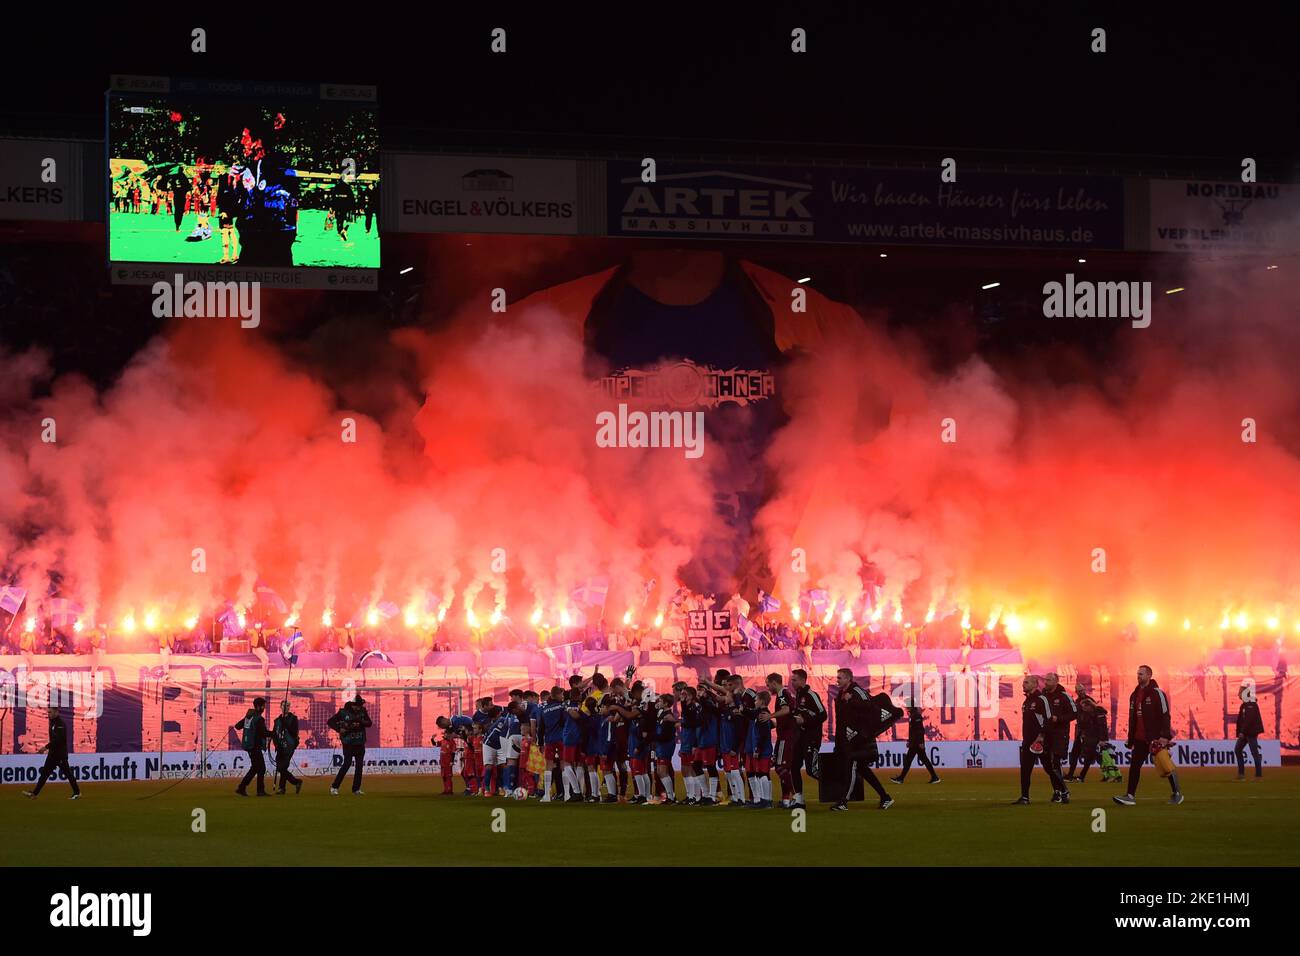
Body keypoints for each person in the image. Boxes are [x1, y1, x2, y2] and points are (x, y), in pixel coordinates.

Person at [1113, 665, 1182, 806]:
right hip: (1139, 739)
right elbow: (1133, 719)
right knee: (1134, 766)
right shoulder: (1134, 695)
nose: (1138, 676)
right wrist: (1131, 738)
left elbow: (1165, 715)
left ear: (1149, 675)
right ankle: (1130, 796)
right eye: (1137, 674)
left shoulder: (1157, 693)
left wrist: (1164, 736)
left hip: (1155, 738)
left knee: (1165, 766)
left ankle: (1177, 793)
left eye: (1141, 674)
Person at [829, 668, 897, 811]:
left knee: (852, 762)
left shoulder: (857, 692)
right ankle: (885, 797)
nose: (837, 680)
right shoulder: (841, 694)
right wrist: (839, 743)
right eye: (837, 677)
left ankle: (843, 802)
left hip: (864, 741)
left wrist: (852, 700)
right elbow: (842, 722)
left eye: (840, 678)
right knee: (862, 769)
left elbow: (870, 706)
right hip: (852, 741)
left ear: (848, 679)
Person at [1014, 675, 1067, 805]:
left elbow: (1048, 720)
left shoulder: (1042, 699)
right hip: (1028, 742)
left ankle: (1063, 791)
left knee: (1049, 769)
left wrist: (1041, 736)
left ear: (1035, 684)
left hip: (1042, 742)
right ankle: (1025, 797)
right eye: (1023, 682)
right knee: (1025, 769)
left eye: (1026, 682)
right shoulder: (1026, 702)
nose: (1023, 685)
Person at [23, 705, 81, 800]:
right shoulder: (53, 723)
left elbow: (59, 740)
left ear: (56, 712)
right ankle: (34, 793)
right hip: (53, 754)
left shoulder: (60, 724)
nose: (48, 714)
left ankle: (77, 793)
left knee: (68, 774)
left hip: (60, 755)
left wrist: (45, 747)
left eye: (50, 712)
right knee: (44, 774)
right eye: (48, 712)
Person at [791, 667, 826, 806]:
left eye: (794, 680)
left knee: (812, 771)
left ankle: (835, 785)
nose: (792, 682)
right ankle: (799, 799)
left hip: (811, 737)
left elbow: (823, 715)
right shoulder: (798, 695)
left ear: (802, 680)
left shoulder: (811, 695)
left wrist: (805, 721)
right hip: (800, 737)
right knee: (794, 766)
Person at [767, 673, 802, 806]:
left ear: (774, 682)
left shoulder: (782, 694)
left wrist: (770, 716)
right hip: (785, 735)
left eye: (768, 684)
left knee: (781, 767)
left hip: (787, 736)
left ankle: (795, 797)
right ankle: (786, 799)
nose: (768, 687)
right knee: (780, 767)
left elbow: (786, 710)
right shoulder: (785, 694)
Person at [328, 694, 372, 795]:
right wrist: (339, 729)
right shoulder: (343, 712)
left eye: (360, 705)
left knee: (359, 766)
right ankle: (334, 787)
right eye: (357, 705)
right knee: (346, 764)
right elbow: (330, 721)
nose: (359, 707)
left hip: (360, 742)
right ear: (352, 704)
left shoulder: (362, 711)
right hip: (348, 743)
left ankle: (356, 789)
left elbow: (369, 723)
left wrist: (360, 722)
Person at [231, 696, 273, 797]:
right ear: (258, 707)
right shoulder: (259, 719)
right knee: (261, 768)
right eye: (263, 706)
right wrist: (274, 734)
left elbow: (237, 726)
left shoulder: (249, 716)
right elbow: (263, 733)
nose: (264, 708)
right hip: (255, 746)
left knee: (255, 768)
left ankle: (241, 787)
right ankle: (260, 791)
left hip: (249, 745)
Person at [890, 703, 941, 785]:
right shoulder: (914, 715)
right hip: (915, 742)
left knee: (909, 760)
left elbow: (920, 730)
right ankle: (934, 777)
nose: (906, 707)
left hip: (916, 743)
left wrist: (920, 742)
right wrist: (910, 741)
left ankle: (901, 778)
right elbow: (915, 731)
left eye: (907, 705)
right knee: (922, 760)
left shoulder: (916, 716)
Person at [1041, 672, 1077, 780]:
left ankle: (1062, 790)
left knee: (1055, 762)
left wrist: (1059, 719)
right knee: (1047, 764)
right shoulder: (1042, 697)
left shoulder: (1064, 696)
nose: (1046, 682)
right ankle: (1059, 787)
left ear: (1056, 682)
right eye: (1045, 680)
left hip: (1059, 734)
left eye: (1049, 680)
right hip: (1045, 734)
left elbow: (1075, 713)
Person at [1234, 681, 1265, 781]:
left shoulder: (1250, 704)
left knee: (1254, 753)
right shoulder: (1245, 705)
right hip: (1246, 732)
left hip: (1250, 733)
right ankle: (1241, 774)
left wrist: (1242, 732)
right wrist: (1240, 732)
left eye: (1240, 692)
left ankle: (1258, 776)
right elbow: (1242, 720)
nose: (1238, 694)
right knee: (1238, 750)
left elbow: (1248, 720)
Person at [271, 699, 302, 795]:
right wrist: (276, 745)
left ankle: (283, 787)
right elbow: (274, 734)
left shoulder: (293, 719)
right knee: (282, 768)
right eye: (284, 705)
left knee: (282, 767)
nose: (286, 707)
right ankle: (293, 783)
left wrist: (287, 725)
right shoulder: (277, 721)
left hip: (289, 747)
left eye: (288, 705)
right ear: (280, 707)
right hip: (280, 747)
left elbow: (294, 733)